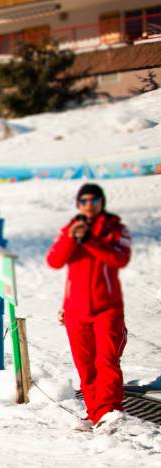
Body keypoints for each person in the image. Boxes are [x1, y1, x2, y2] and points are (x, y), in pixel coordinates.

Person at [47, 181, 133, 432]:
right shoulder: (71, 229)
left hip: (107, 307)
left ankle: (109, 411)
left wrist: (90, 241)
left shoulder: (115, 229)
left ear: (101, 203)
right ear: (78, 204)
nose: (89, 205)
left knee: (106, 361)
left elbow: (119, 258)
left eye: (94, 200)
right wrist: (72, 238)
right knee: (85, 365)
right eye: (84, 201)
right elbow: (55, 260)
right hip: (76, 310)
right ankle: (95, 413)